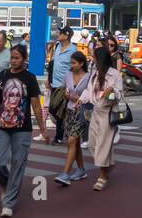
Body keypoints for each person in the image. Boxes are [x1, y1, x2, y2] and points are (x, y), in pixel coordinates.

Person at [0, 43, 49, 217]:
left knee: (18, 164)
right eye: (12, 57)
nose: (13, 61)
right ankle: (9, 186)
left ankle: (9, 203)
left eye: (17, 58)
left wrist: (42, 129)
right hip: (2, 126)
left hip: (23, 128)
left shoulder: (29, 78)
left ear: (24, 59)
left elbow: (36, 105)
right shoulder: (3, 75)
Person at [82, 42, 124, 190]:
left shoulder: (115, 74)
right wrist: (77, 100)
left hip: (108, 113)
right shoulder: (94, 74)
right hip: (95, 112)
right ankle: (108, 165)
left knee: (103, 145)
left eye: (94, 57)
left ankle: (102, 176)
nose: (92, 59)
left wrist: (111, 91)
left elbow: (119, 95)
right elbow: (88, 92)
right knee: (92, 144)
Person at [55, 51, 92, 186]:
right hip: (69, 111)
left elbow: (91, 94)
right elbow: (64, 90)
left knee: (72, 140)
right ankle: (81, 169)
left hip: (83, 112)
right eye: (71, 62)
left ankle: (65, 173)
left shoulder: (88, 77)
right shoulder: (68, 75)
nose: (72, 65)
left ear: (81, 63)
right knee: (75, 143)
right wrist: (65, 94)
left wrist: (80, 99)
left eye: (74, 63)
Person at [46, 26, 77, 144]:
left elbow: (76, 67)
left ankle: (58, 137)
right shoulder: (57, 47)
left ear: (67, 35)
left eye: (61, 33)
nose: (58, 34)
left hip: (64, 85)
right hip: (54, 83)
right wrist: (49, 79)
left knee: (58, 111)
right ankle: (65, 128)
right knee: (53, 110)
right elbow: (52, 64)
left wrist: (72, 84)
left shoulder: (73, 50)